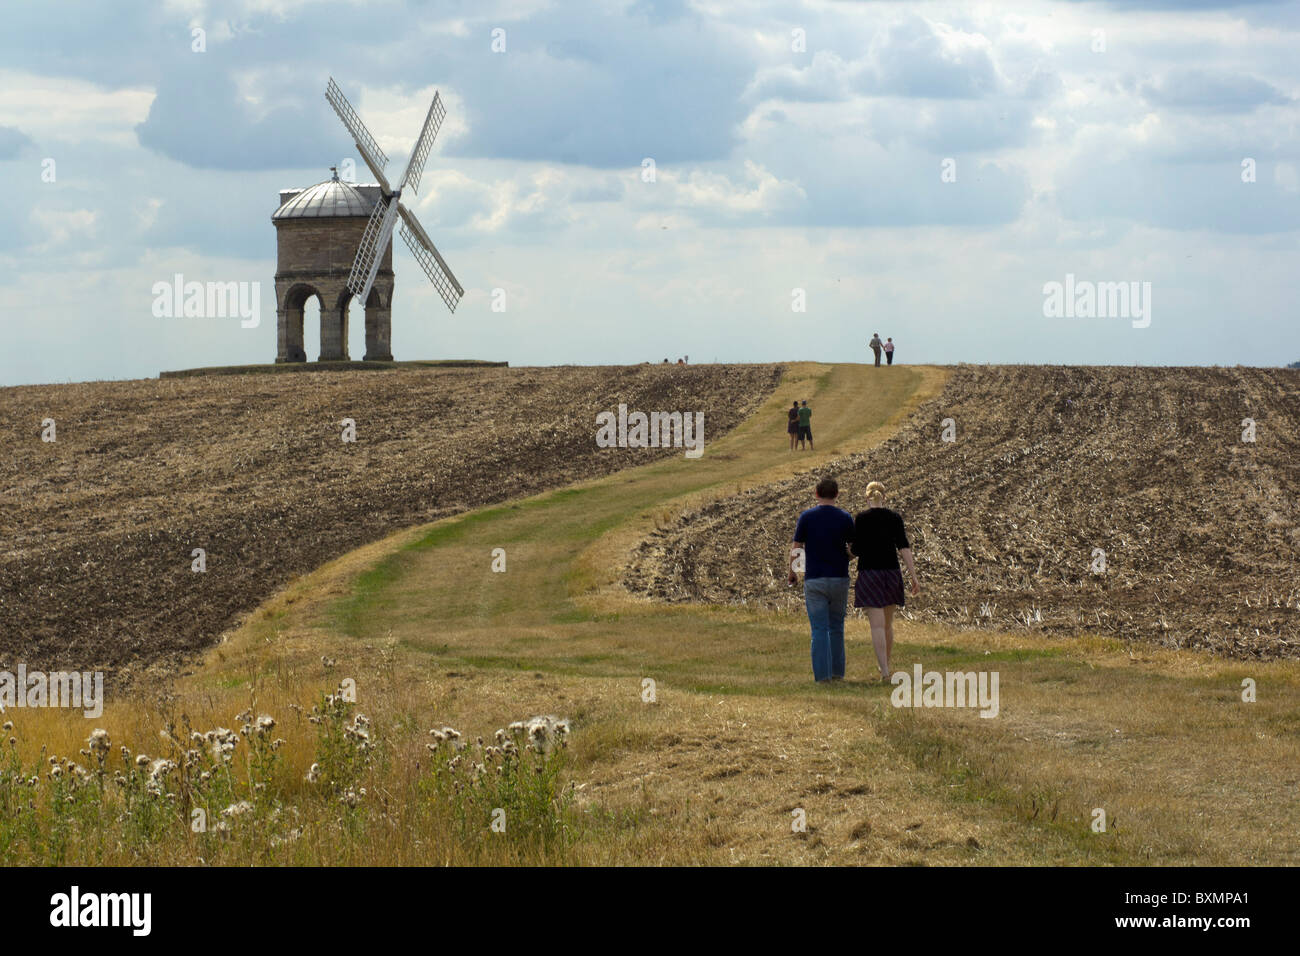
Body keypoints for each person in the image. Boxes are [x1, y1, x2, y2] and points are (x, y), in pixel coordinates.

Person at [850, 481, 920, 682]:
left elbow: (856, 549)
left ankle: (885, 671)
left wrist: (846, 554)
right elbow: (904, 548)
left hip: (869, 574)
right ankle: (885, 668)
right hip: (891, 573)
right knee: (888, 625)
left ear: (866, 498)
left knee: (877, 627)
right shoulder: (894, 518)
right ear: (885, 497)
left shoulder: (861, 519)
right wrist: (913, 577)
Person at [788, 477, 854, 683]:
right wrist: (848, 557)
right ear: (837, 494)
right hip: (839, 578)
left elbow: (797, 547)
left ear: (816, 493)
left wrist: (793, 572)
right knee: (836, 626)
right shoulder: (845, 518)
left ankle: (822, 676)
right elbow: (853, 548)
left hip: (815, 579)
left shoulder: (807, 517)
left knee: (819, 629)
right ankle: (837, 673)